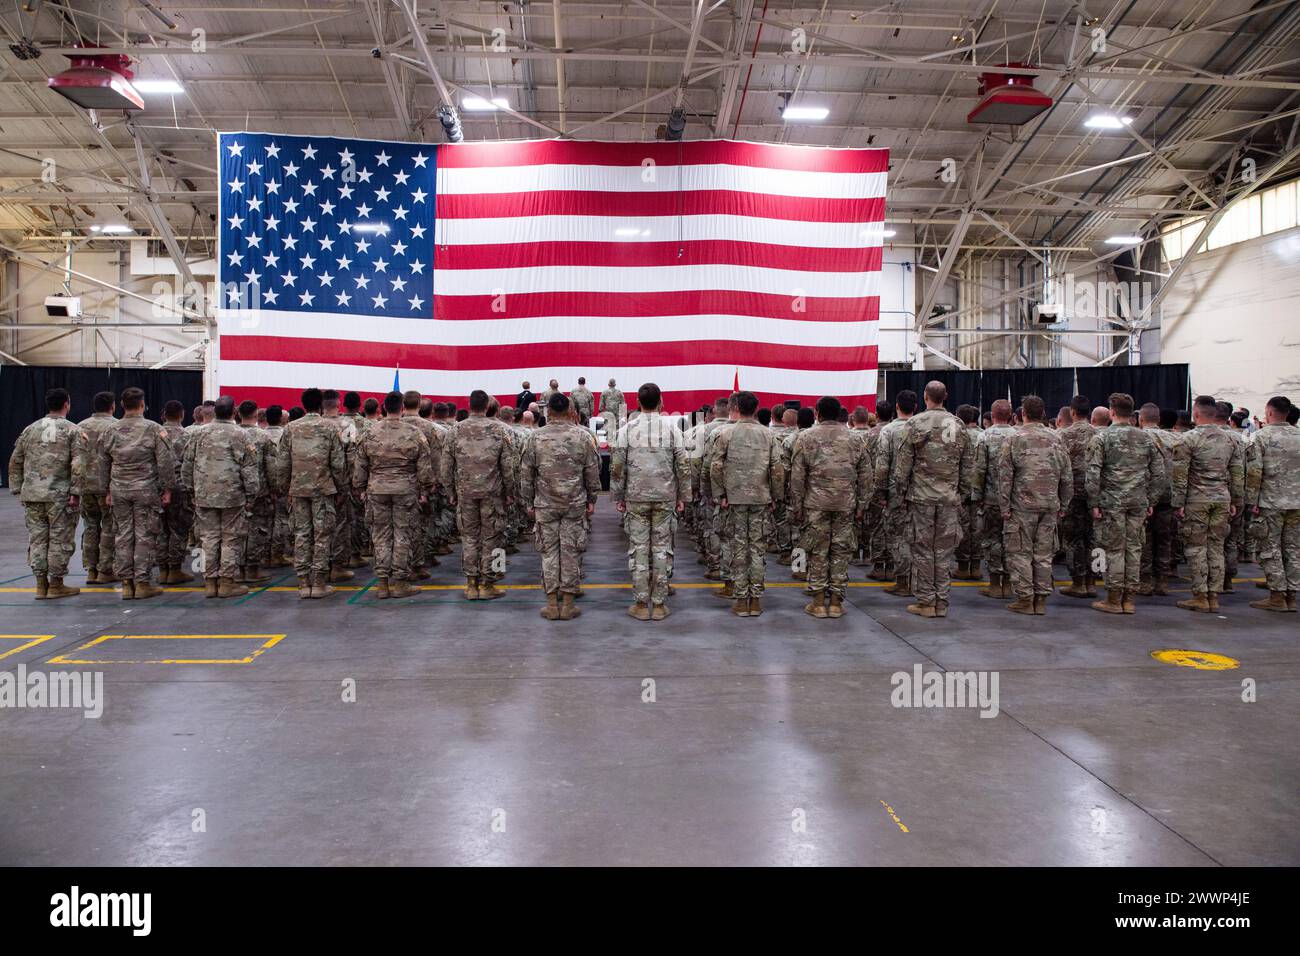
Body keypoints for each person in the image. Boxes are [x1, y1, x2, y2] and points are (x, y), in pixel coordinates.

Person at [891, 382, 972, 618]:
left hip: (922, 498)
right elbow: (968, 466)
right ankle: (942, 601)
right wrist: (960, 494)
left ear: (925, 397)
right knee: (944, 552)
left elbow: (902, 466)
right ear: (945, 397)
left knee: (923, 550)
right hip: (949, 499)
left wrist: (902, 492)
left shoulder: (915, 423)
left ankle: (927, 601)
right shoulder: (959, 425)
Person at [611, 382, 689, 621]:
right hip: (665, 497)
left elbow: (617, 466)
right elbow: (683, 465)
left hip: (637, 497)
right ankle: (660, 604)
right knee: (662, 550)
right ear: (661, 401)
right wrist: (683, 496)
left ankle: (642, 604)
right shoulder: (672, 429)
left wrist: (618, 496)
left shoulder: (626, 430)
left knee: (639, 550)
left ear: (637, 402)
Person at [790, 395, 873, 619]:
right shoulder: (855, 439)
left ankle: (818, 602)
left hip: (816, 503)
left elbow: (797, 477)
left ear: (817, 412)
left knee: (818, 551)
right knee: (840, 551)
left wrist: (796, 506)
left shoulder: (806, 437)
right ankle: (836, 602)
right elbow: (866, 475)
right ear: (838, 414)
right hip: (845, 503)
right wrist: (862, 505)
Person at [519, 393, 601, 620]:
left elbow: (526, 474)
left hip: (545, 504)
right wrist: (592, 499)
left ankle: (551, 604)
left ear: (548, 412)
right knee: (571, 551)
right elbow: (592, 472)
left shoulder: (535, 438)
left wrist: (528, 502)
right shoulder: (583, 437)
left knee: (549, 552)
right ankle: (568, 603)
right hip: (574, 503)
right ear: (570, 411)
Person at [1083, 392, 1164, 614]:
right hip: (1138, 501)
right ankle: (1129, 600)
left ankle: (1113, 598)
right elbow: (1159, 473)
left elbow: (1092, 473)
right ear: (1132, 413)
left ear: (1112, 411)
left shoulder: (1101, 439)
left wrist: (1094, 502)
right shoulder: (1146, 438)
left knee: (1114, 550)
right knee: (1134, 549)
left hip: (1111, 503)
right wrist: (1151, 499)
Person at [353, 391, 435, 599]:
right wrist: (426, 489)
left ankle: (382, 583)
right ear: (402, 408)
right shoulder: (414, 433)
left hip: (377, 489)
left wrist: (360, 488)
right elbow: (424, 468)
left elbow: (360, 464)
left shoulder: (370, 432)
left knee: (380, 536)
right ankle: (400, 582)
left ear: (383, 408)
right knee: (402, 535)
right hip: (405, 489)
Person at [710, 390, 785, 617]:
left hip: (734, 499)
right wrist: (775, 495)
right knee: (757, 549)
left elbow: (716, 466)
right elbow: (777, 469)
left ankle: (742, 600)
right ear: (755, 408)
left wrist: (720, 494)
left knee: (739, 548)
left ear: (734, 408)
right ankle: (756, 599)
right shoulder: (768, 435)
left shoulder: (725, 434)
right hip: (761, 498)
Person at [996, 395, 1072, 615]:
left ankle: (1025, 598)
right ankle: (1041, 599)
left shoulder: (1014, 439)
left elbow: (1005, 477)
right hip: (1049, 506)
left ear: (1022, 414)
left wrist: (1004, 506)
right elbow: (1066, 475)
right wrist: (1064, 504)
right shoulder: (1057, 439)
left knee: (1020, 553)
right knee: (1043, 554)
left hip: (1022, 506)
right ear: (1043, 413)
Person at [8, 387, 85, 599]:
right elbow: (78, 463)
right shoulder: (73, 430)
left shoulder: (29, 429)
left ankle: (41, 585)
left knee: (38, 539)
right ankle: (56, 584)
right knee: (59, 538)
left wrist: (17, 488)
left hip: (33, 494)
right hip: (59, 495)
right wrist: (76, 491)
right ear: (67, 404)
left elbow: (15, 460)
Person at [1170, 395, 1244, 613]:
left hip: (1196, 499)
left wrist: (1178, 502)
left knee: (1196, 548)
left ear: (1196, 413)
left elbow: (1180, 475)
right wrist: (1236, 500)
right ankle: (1214, 595)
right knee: (1216, 547)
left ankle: (1200, 595)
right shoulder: (1232, 439)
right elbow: (1238, 473)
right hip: (1222, 498)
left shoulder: (1188, 439)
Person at [441, 389, 517, 600]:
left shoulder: (455, 430)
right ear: (486, 407)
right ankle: (488, 583)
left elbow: (446, 465)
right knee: (493, 537)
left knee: (469, 538)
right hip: (492, 493)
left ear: (469, 404)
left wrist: (450, 491)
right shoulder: (499, 430)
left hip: (465, 493)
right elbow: (508, 466)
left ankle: (471, 583)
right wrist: (510, 492)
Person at [272, 387, 348, 598]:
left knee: (302, 534)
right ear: (322, 405)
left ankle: (303, 583)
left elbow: (282, 463)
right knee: (322, 535)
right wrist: (342, 488)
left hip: (298, 489)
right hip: (323, 489)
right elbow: (338, 464)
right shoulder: (330, 428)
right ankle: (319, 582)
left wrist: (285, 487)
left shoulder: (291, 429)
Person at [101, 387, 175, 600]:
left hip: (119, 490)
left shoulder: (111, 430)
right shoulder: (154, 429)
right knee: (144, 535)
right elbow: (165, 463)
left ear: (122, 405)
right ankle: (142, 583)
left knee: (123, 535)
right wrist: (168, 488)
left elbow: (103, 462)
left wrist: (106, 489)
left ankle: (126, 584)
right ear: (142, 405)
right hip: (145, 490)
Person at [182, 395, 260, 598]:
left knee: (208, 538)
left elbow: (187, 464)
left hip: (204, 494)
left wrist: (191, 490)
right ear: (234, 412)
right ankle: (226, 583)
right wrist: (251, 496)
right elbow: (249, 469)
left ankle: (210, 583)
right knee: (230, 539)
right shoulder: (240, 435)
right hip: (232, 494)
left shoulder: (198, 434)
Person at [1246, 395, 1299, 611]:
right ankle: (1292, 596)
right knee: (1294, 548)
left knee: (1270, 547)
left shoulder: (1261, 437)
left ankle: (1277, 595)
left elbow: (1255, 471)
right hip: (1297, 502)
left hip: (1270, 501)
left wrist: (1252, 500)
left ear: (1269, 412)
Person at [971, 399, 1016, 599]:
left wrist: (977, 496)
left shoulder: (985, 437)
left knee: (992, 540)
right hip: (1014, 501)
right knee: (1011, 541)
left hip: (991, 499)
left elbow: (979, 470)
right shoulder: (1018, 435)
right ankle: (1008, 583)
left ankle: (995, 584)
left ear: (992, 414)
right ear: (1012, 415)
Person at [875, 390, 916, 596]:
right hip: (919, 493)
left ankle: (902, 582)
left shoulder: (888, 431)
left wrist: (881, 494)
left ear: (897, 407)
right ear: (915, 407)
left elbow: (882, 465)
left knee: (898, 538)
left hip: (895, 494)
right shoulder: (920, 428)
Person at [1058, 395, 1098, 598]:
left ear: (1072, 412)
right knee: (1094, 539)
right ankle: (1093, 582)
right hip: (1095, 494)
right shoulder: (1099, 434)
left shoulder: (1064, 435)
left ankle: (1078, 582)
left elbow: (1060, 467)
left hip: (1073, 493)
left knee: (1073, 540)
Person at [1138, 402, 1180, 596]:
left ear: (1141, 419)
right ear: (1160, 419)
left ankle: (1145, 582)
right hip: (1169, 498)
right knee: (1165, 541)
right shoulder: (1176, 439)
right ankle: (1162, 582)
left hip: (1145, 498)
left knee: (1144, 541)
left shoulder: (1140, 438)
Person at [401, 390, 443, 578]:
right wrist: (434, 482)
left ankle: (401, 566)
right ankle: (418, 562)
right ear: (418, 404)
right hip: (419, 484)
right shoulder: (429, 428)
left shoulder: (389, 425)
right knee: (421, 524)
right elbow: (435, 458)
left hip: (394, 483)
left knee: (398, 528)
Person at [77, 391, 118, 584]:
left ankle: (91, 570)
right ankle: (105, 570)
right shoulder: (116, 427)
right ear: (112, 406)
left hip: (85, 486)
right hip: (107, 486)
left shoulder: (79, 427)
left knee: (90, 526)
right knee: (109, 526)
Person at [237, 399, 278, 586]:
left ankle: (236, 570)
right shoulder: (262, 437)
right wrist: (274, 489)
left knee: (235, 532)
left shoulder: (233, 434)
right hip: (259, 491)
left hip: (233, 491)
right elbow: (271, 467)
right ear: (255, 414)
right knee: (257, 530)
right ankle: (252, 569)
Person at [321, 389, 360, 584]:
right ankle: (336, 568)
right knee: (339, 526)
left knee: (311, 529)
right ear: (338, 404)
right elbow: (352, 459)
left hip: (309, 486)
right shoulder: (347, 425)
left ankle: (316, 570)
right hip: (338, 485)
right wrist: (353, 484)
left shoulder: (304, 426)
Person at [158, 399, 196, 585]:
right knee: (179, 529)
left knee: (161, 530)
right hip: (180, 488)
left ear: (164, 415)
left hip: (157, 488)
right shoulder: (187, 435)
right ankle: (174, 569)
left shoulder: (156, 433)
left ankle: (162, 570)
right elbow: (191, 464)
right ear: (182, 414)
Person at [1216, 400, 1248, 592]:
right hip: (1236, 495)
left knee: (1214, 542)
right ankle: (1228, 579)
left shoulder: (1211, 436)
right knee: (1232, 540)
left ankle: (1214, 583)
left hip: (1215, 494)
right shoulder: (1241, 438)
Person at [953, 404, 982, 580]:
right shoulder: (982, 435)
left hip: (962, 488)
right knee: (977, 528)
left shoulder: (957, 436)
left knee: (962, 528)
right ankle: (977, 566)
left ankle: (963, 566)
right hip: (978, 488)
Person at [264, 405, 293, 567]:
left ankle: (263, 554)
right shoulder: (286, 435)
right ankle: (277, 554)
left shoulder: (261, 435)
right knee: (282, 519)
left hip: (263, 486)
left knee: (263, 521)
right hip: (283, 483)